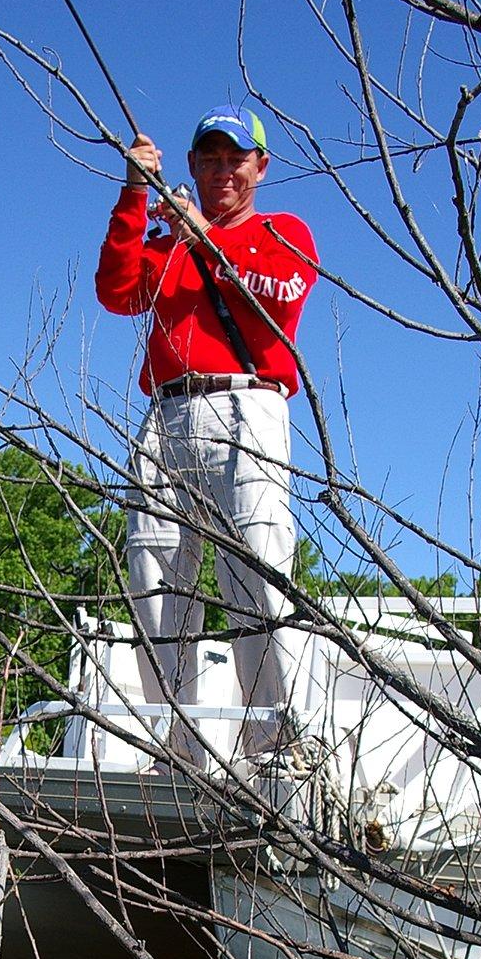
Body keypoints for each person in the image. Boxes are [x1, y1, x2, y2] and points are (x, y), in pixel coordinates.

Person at [94, 105, 318, 767]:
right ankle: (178, 751)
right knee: (154, 579)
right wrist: (136, 193)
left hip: (249, 408)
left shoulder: (284, 232)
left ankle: (278, 751)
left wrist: (204, 237)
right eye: (210, 159)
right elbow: (116, 292)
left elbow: (276, 294)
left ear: (260, 167)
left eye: (235, 159)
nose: (223, 171)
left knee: (256, 570)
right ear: (191, 165)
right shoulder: (170, 244)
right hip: (165, 415)